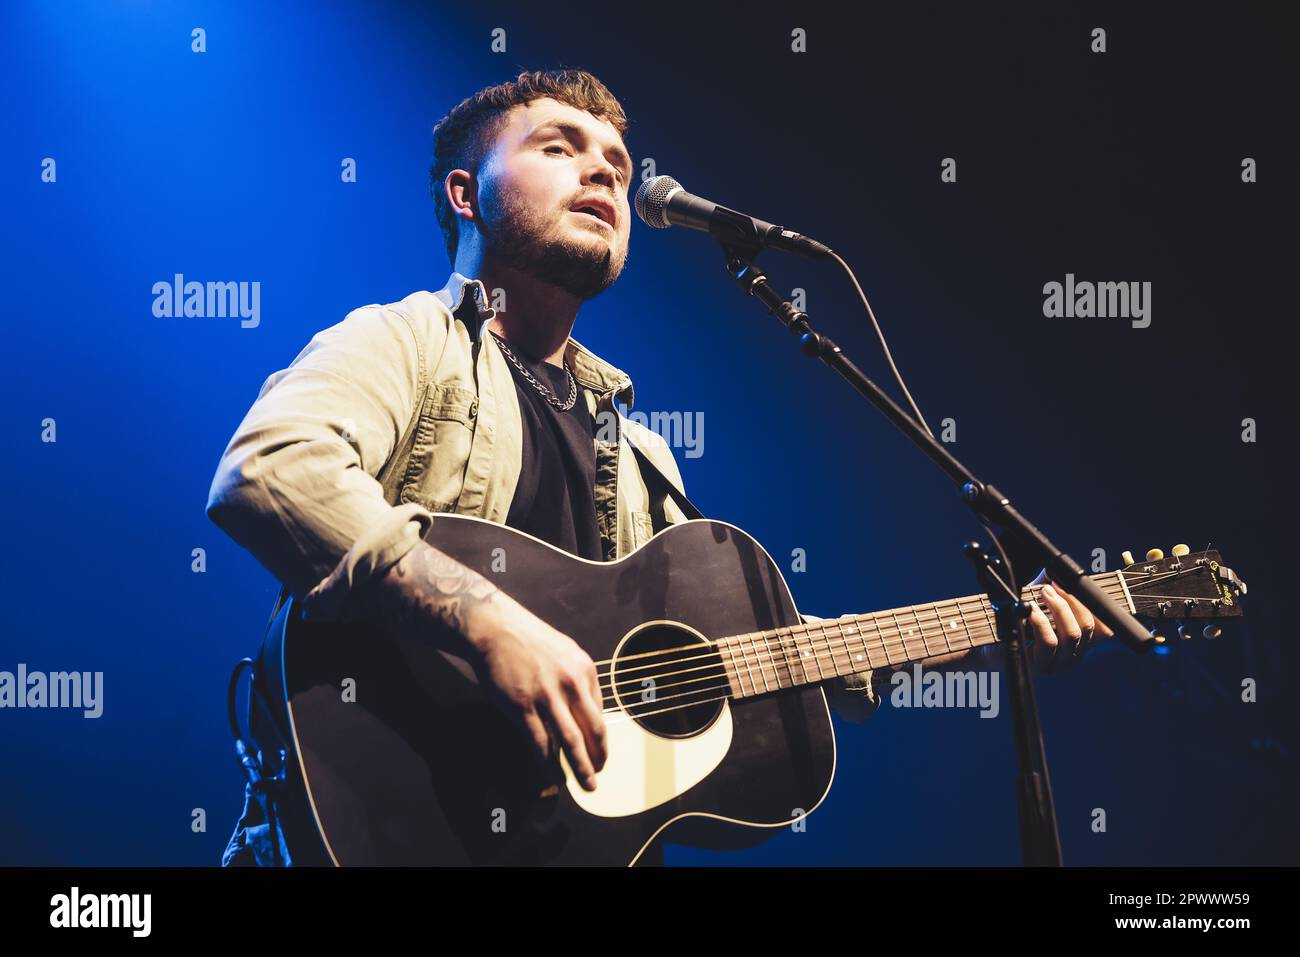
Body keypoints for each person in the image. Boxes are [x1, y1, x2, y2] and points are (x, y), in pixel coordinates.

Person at [206, 69, 1105, 867]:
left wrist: (997, 632)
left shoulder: (638, 450)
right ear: (465, 193)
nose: (603, 171)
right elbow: (271, 469)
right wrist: (490, 625)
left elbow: (751, 655)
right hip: (376, 816)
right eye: (560, 148)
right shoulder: (407, 342)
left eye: (618, 165)